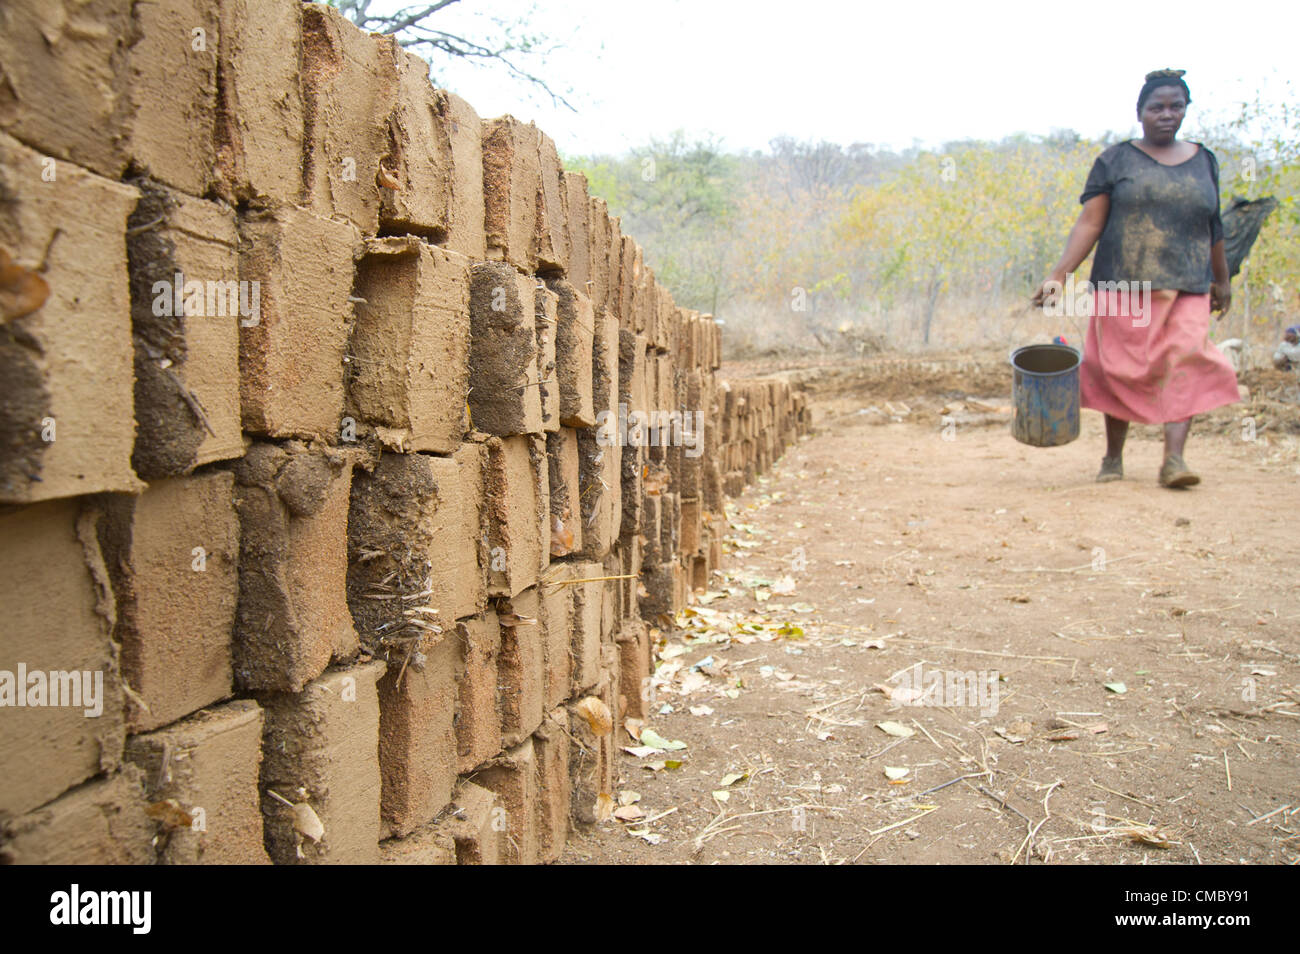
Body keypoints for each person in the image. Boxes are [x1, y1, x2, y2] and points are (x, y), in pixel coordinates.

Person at [1032, 69, 1239, 488]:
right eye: (1157, 107)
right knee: (1119, 369)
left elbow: (1213, 225)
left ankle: (1174, 461)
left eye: (1175, 106)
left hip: (1188, 284)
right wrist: (1059, 276)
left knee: (1186, 361)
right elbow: (1090, 224)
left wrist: (1223, 279)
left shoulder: (1204, 161)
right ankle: (1113, 458)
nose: (1167, 114)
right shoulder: (1116, 160)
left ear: (1185, 110)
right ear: (1139, 112)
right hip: (1125, 284)